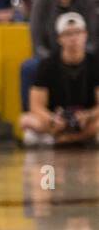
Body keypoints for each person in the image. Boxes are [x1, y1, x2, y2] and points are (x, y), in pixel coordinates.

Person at [20, 13, 99, 147]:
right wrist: (52, 119)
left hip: (85, 120)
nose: (74, 38)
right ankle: (79, 138)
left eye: (77, 33)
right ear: (59, 38)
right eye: (68, 34)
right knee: (26, 121)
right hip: (56, 120)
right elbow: (36, 105)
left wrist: (88, 115)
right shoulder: (47, 65)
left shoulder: (95, 63)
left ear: (85, 35)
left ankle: (64, 140)